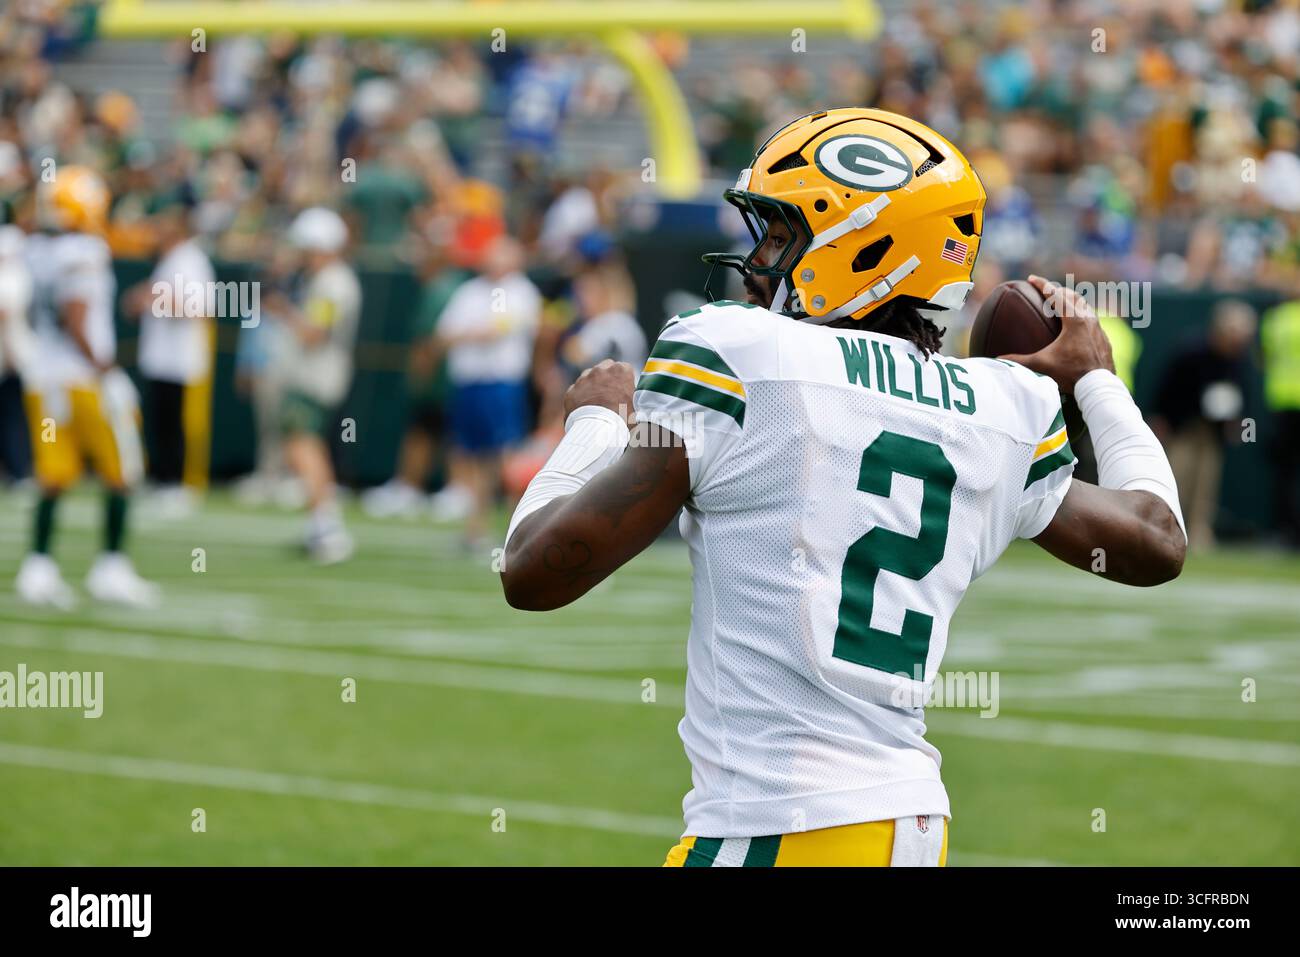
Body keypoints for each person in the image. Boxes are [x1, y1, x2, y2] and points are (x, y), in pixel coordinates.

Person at [499, 109, 1186, 867]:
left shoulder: (740, 354)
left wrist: (595, 421)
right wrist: (1097, 383)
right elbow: (1157, 539)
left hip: (777, 826)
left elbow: (531, 570)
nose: (759, 256)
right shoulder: (1001, 407)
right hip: (912, 826)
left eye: (782, 232)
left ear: (864, 244)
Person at [16, 166, 159, 608]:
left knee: (54, 477)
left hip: (44, 379)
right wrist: (105, 368)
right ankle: (111, 568)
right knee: (122, 472)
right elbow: (75, 315)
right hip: (82, 380)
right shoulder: (84, 250)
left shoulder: (34, 249)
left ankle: (38, 568)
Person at [265, 207, 362, 563]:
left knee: (304, 447)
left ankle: (327, 527)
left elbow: (313, 334)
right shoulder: (327, 280)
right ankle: (321, 523)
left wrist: (282, 311)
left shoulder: (333, 282)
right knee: (304, 447)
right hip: (315, 375)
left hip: (315, 377)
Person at [432, 235, 540, 548]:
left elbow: (496, 331)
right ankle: (475, 529)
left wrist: (469, 334)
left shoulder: (522, 292)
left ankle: (515, 529)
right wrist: (472, 334)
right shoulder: (469, 291)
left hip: (500, 383)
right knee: (470, 455)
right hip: (469, 383)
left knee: (505, 454)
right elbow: (444, 334)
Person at [123, 193, 215, 515]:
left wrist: (152, 300)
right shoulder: (168, 260)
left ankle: (179, 484)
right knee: (159, 421)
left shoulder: (192, 260)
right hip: (159, 356)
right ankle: (162, 479)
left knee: (176, 423)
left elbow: (199, 307)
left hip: (181, 357)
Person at [1152, 300, 1256, 551]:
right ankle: (1162, 530)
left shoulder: (1239, 359)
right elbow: (1167, 389)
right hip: (1184, 428)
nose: (1238, 342)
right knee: (1176, 479)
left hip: (1213, 432)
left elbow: (1242, 395)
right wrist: (1161, 420)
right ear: (1221, 330)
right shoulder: (1190, 351)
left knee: (1205, 486)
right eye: (1234, 335)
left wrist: (1238, 425)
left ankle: (1199, 535)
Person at [1260, 298, 1300, 548]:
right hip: (1283, 403)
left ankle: (1284, 531)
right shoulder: (1277, 318)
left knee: (1284, 473)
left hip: (1281, 403)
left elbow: (1264, 357)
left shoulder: (1276, 318)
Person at [0, 223, 34, 484]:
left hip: (11, 355)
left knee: (13, 414)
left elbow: (5, 314)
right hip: (13, 353)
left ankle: (18, 469)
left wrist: (11, 352)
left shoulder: (14, 274)